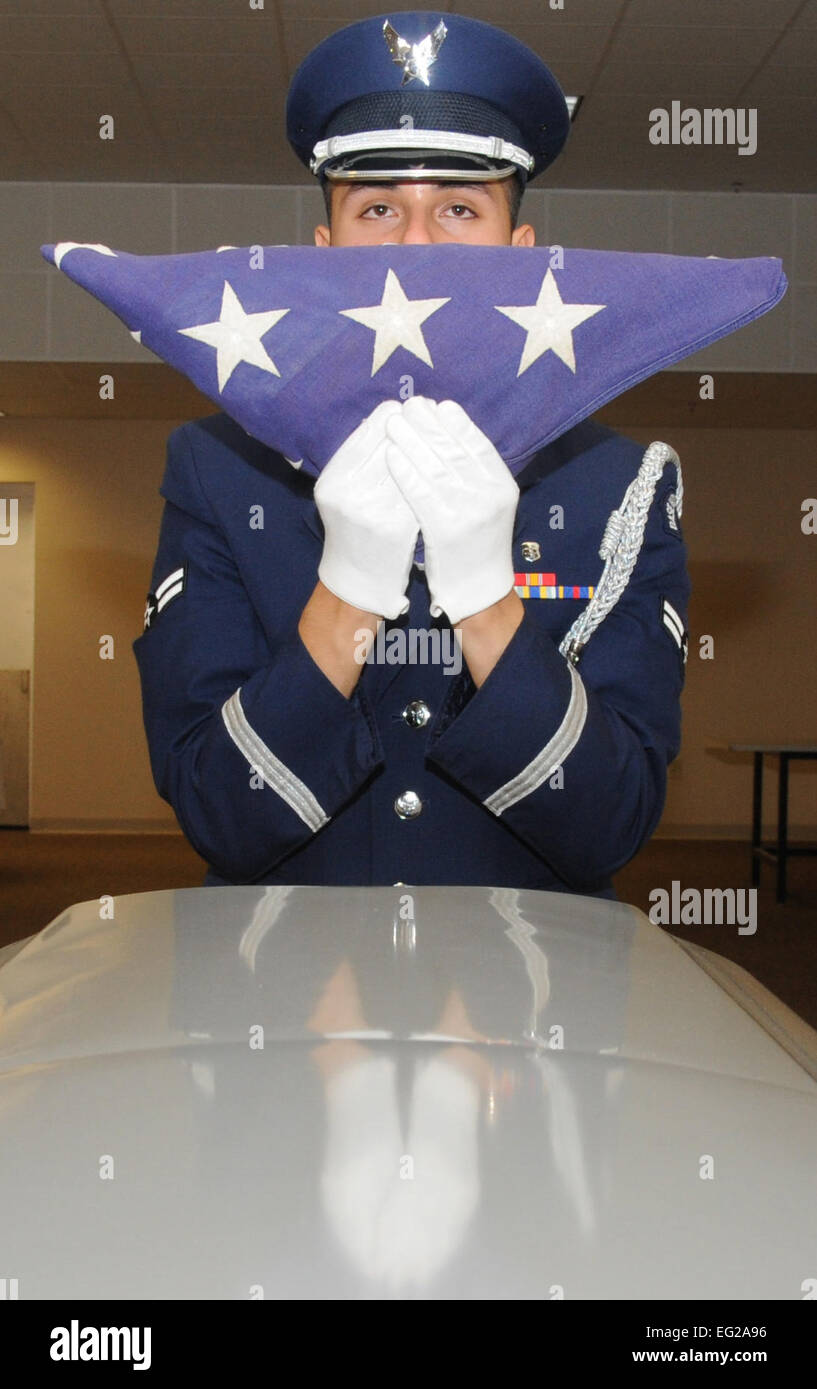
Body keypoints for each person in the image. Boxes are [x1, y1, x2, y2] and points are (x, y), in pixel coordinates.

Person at [133, 11, 690, 896]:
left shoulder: (615, 486)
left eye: (459, 208)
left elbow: (609, 825)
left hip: (536, 1004)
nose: (416, 247)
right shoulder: (220, 467)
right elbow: (218, 815)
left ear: (521, 255)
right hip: (277, 998)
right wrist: (343, 598)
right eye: (379, 207)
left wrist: (485, 602)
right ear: (324, 252)